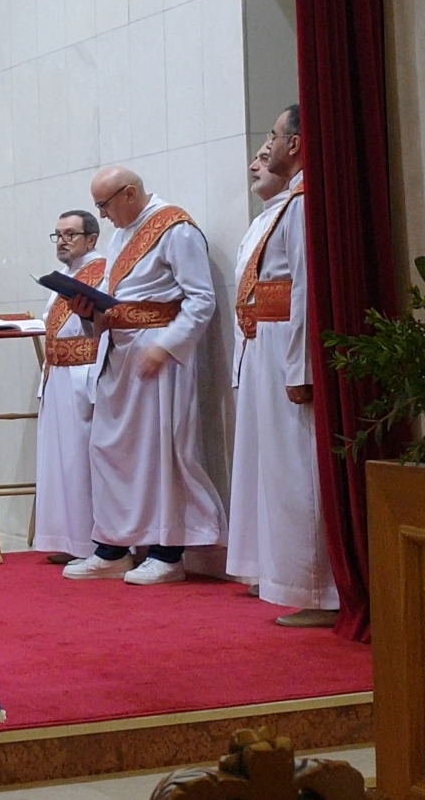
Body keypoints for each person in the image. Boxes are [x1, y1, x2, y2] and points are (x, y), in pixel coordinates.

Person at [63, 166, 224, 585]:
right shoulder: (121, 235)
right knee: (110, 452)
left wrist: (166, 346)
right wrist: (89, 314)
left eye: (105, 205)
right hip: (119, 353)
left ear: (129, 193)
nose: (104, 214)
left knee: (160, 455)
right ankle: (114, 548)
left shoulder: (175, 228)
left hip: (158, 357)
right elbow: (117, 301)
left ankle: (168, 552)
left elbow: (200, 299)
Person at [226, 105, 339, 627]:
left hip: (286, 350)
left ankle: (315, 588)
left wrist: (301, 368)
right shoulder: (290, 201)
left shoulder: (303, 201)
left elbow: (305, 293)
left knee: (297, 472)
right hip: (266, 344)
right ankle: (282, 574)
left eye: (273, 136)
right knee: (274, 471)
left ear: (295, 143)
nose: (266, 146)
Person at [32, 209, 105, 567]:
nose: (62, 241)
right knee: (60, 460)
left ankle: (94, 541)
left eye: (70, 234)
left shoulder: (101, 270)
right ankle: (71, 537)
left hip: (83, 373)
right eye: (58, 234)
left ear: (91, 239)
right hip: (58, 373)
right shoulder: (62, 276)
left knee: (81, 458)